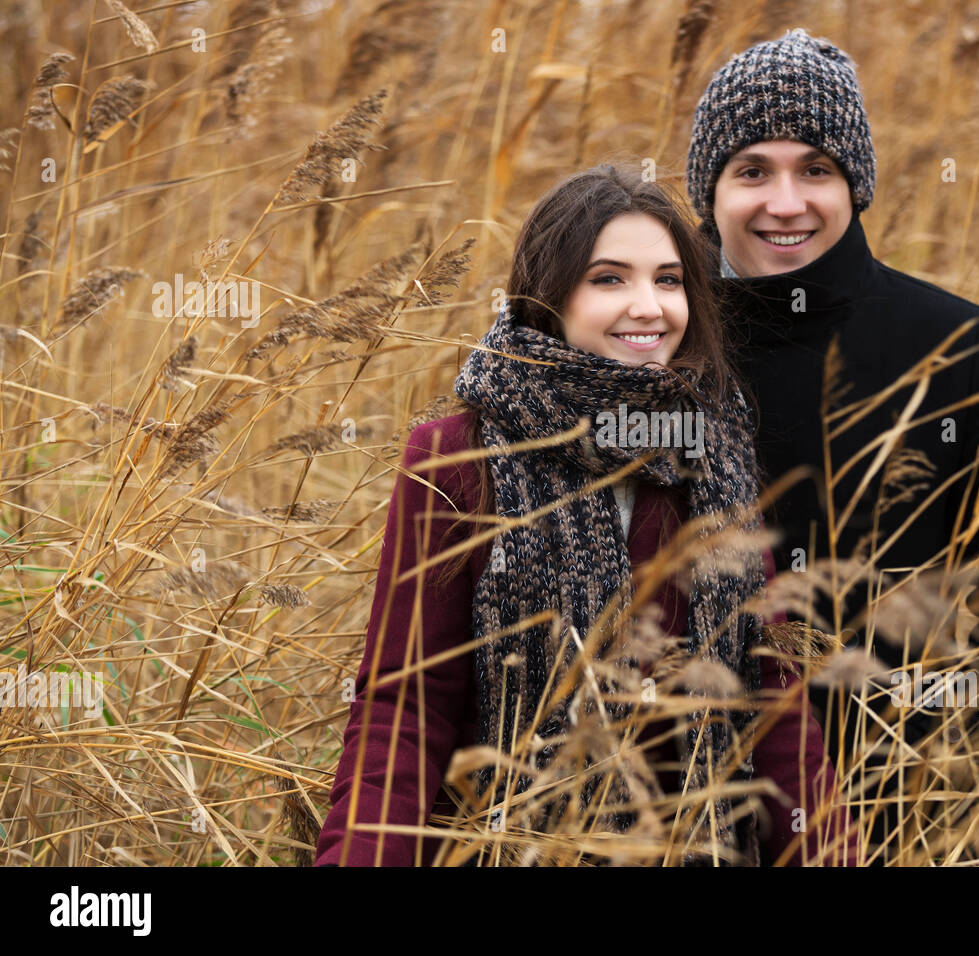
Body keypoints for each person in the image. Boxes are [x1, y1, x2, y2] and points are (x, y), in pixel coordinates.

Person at [315, 164, 858, 867]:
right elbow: (406, 707)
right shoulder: (457, 457)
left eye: (668, 280)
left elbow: (774, 707)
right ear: (551, 296)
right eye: (610, 279)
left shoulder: (713, 456)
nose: (648, 306)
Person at [685, 29, 979, 852]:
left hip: (891, 822)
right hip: (667, 823)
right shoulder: (652, 342)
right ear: (709, 189)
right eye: (752, 170)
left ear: (856, 184)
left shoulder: (954, 346)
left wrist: (925, 785)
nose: (786, 201)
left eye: (817, 169)